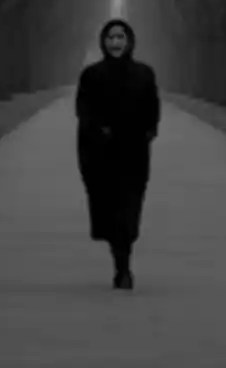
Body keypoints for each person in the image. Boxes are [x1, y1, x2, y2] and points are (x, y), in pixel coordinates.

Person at [75, 18, 160, 290]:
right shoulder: (91, 75)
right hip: (102, 157)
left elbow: (153, 108)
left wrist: (148, 131)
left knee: (129, 212)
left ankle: (123, 266)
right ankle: (121, 267)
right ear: (104, 41)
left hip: (134, 156)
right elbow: (83, 112)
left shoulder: (144, 74)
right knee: (110, 214)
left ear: (129, 41)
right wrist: (99, 132)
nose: (115, 43)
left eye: (120, 37)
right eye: (111, 38)